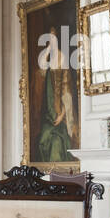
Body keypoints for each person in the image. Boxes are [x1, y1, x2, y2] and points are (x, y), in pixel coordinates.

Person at [36, 25, 75, 163]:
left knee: (56, 142)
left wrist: (62, 113)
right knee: (43, 140)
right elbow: (41, 68)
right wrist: (47, 49)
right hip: (46, 108)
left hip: (57, 108)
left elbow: (66, 89)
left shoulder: (61, 57)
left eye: (54, 38)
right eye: (50, 38)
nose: (52, 41)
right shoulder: (46, 57)